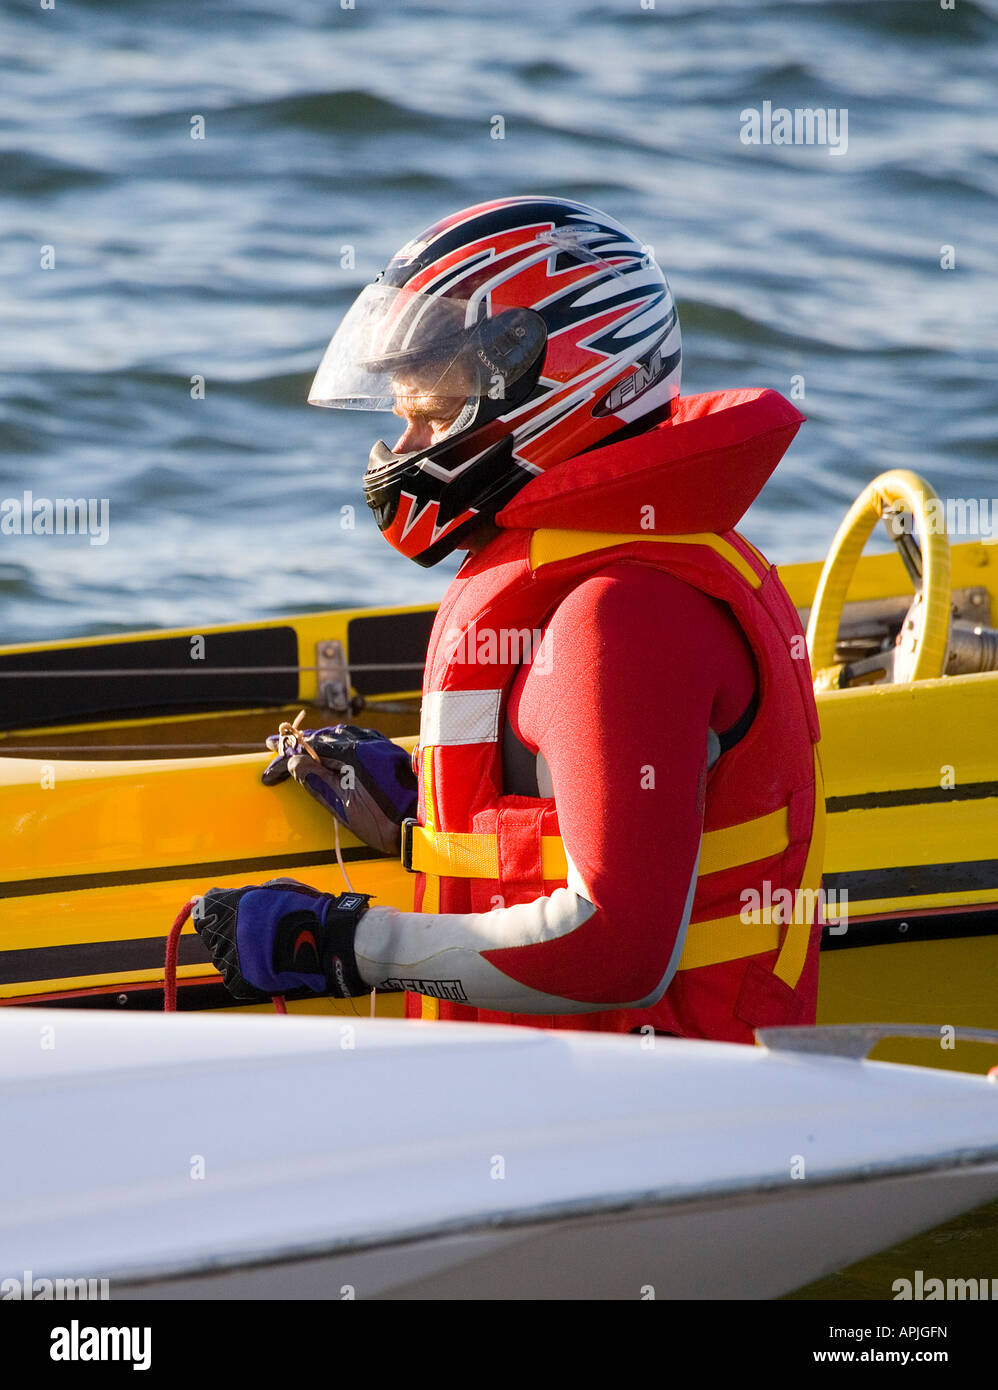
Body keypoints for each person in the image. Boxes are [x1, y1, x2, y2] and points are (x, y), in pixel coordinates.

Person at [194, 196, 825, 1043]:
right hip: (573, 1097)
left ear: (551, 385)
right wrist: (429, 813)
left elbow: (616, 951)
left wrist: (342, 944)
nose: (402, 435)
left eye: (430, 405)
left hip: (654, 1121)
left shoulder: (622, 616)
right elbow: (619, 816)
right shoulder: (626, 568)